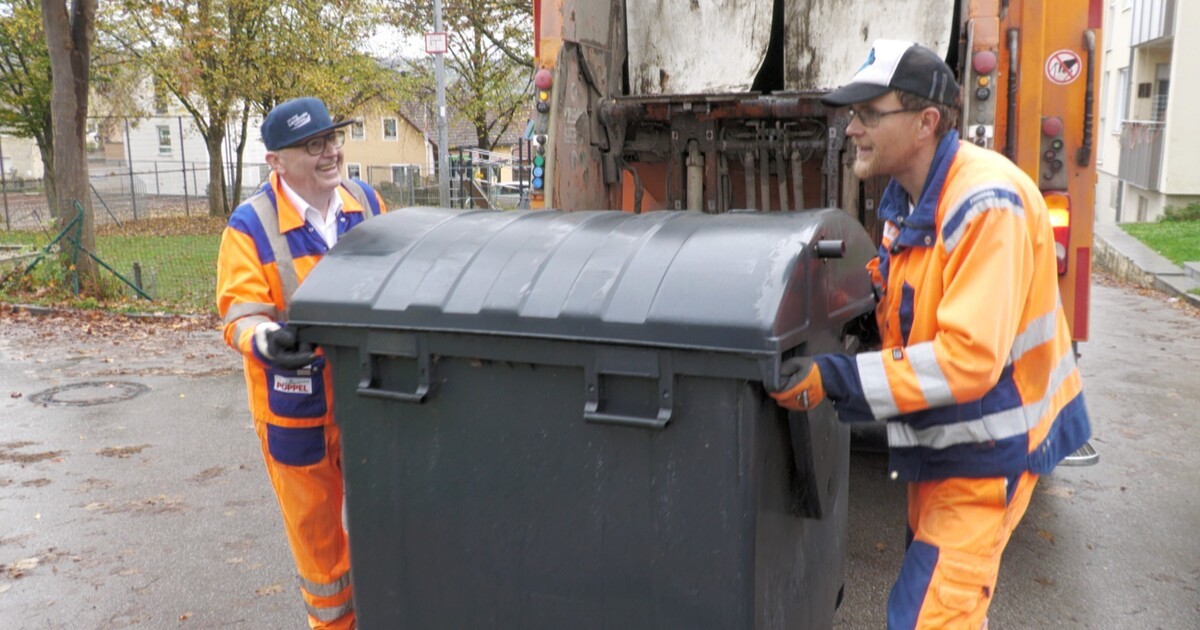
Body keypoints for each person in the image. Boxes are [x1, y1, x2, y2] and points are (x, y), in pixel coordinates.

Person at [767, 40, 1091, 629]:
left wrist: (838, 378)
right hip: (944, 444)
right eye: (851, 114)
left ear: (926, 122)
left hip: (989, 452)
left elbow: (967, 360)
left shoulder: (986, 204)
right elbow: (911, 303)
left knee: (928, 617)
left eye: (869, 113)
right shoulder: (910, 200)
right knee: (951, 604)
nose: (852, 130)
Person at [216, 96, 386, 630]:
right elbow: (240, 313)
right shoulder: (251, 226)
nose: (330, 152)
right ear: (276, 162)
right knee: (323, 561)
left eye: (332, 139)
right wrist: (266, 339)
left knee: (383, 537)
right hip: (298, 415)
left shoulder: (367, 203)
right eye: (313, 145)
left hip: (370, 404)